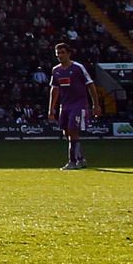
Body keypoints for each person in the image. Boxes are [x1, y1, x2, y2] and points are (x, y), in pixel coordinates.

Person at [48, 42, 101, 170]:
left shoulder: (78, 68)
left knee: (73, 131)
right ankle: (81, 158)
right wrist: (51, 109)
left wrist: (96, 105)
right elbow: (54, 90)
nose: (60, 56)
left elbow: (90, 85)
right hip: (65, 105)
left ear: (69, 54)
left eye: (62, 53)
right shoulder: (56, 70)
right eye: (58, 53)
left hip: (79, 104)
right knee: (66, 133)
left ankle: (72, 162)